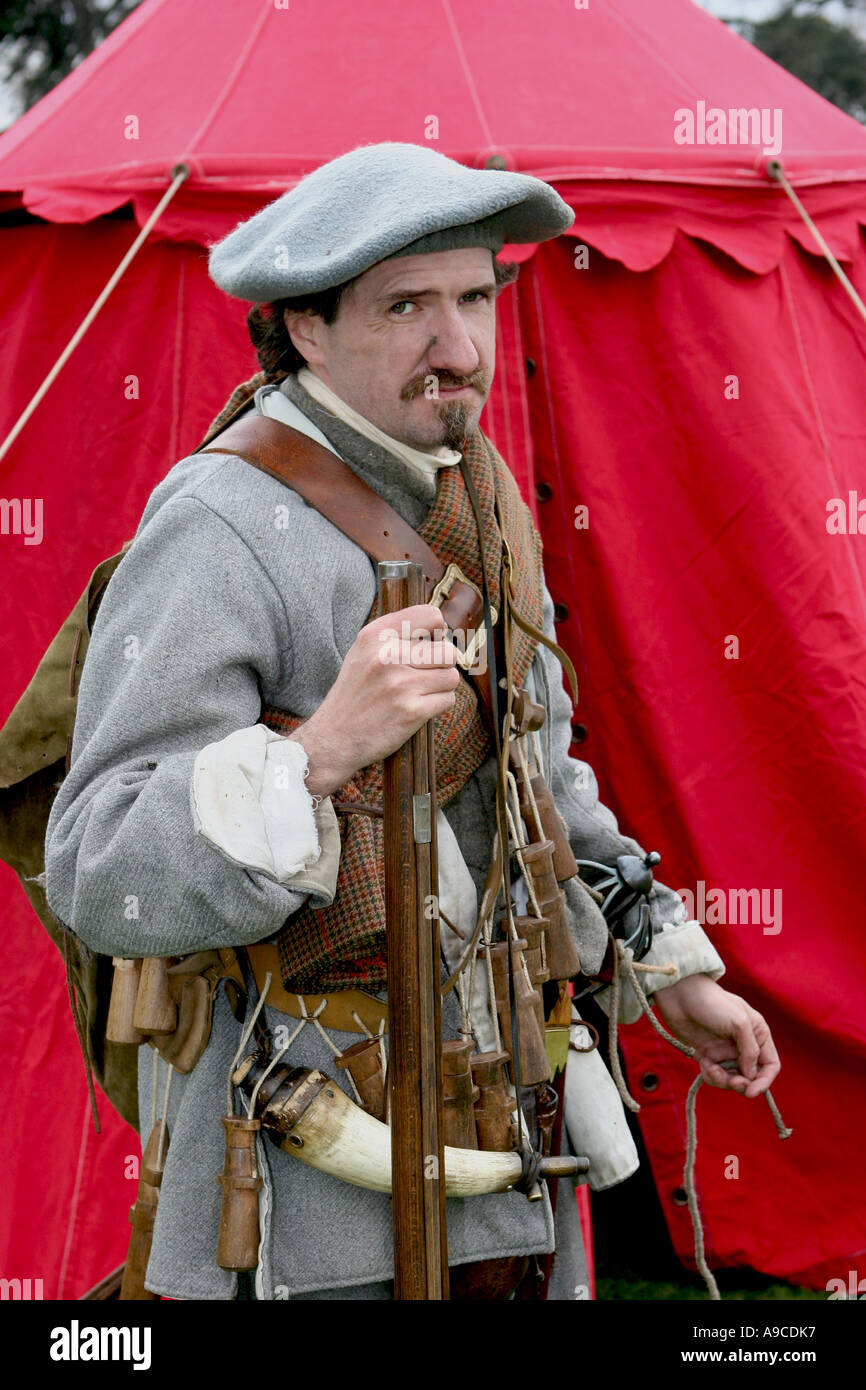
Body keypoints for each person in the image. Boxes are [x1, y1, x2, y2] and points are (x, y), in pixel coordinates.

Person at [44, 142, 780, 1301]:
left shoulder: (475, 487)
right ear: (305, 327)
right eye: (405, 306)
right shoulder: (217, 523)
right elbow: (97, 866)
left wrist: (660, 961)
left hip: (513, 1122)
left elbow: (539, 772)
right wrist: (318, 750)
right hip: (317, 1174)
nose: (459, 347)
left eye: (474, 296)